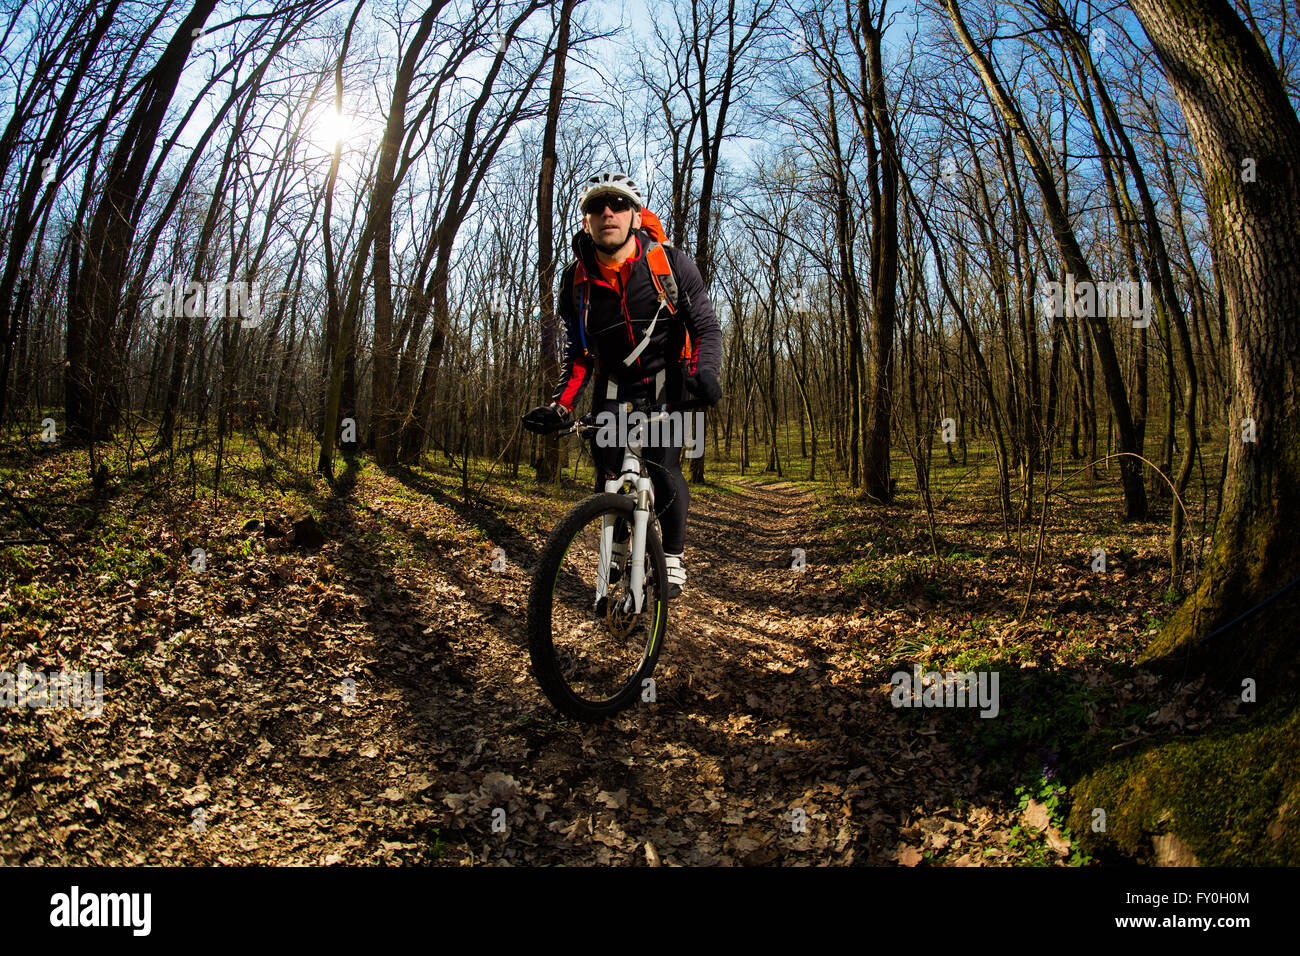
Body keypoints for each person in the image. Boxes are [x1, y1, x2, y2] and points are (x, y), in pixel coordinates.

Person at [523, 171, 722, 598]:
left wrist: (706, 374)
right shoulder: (574, 281)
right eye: (596, 206)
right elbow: (578, 354)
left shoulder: (670, 264)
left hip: (669, 382)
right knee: (609, 470)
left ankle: (670, 556)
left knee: (664, 469)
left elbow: (705, 326)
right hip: (613, 386)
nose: (606, 212)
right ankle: (614, 548)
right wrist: (560, 408)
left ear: (635, 216)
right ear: (585, 222)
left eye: (617, 204)